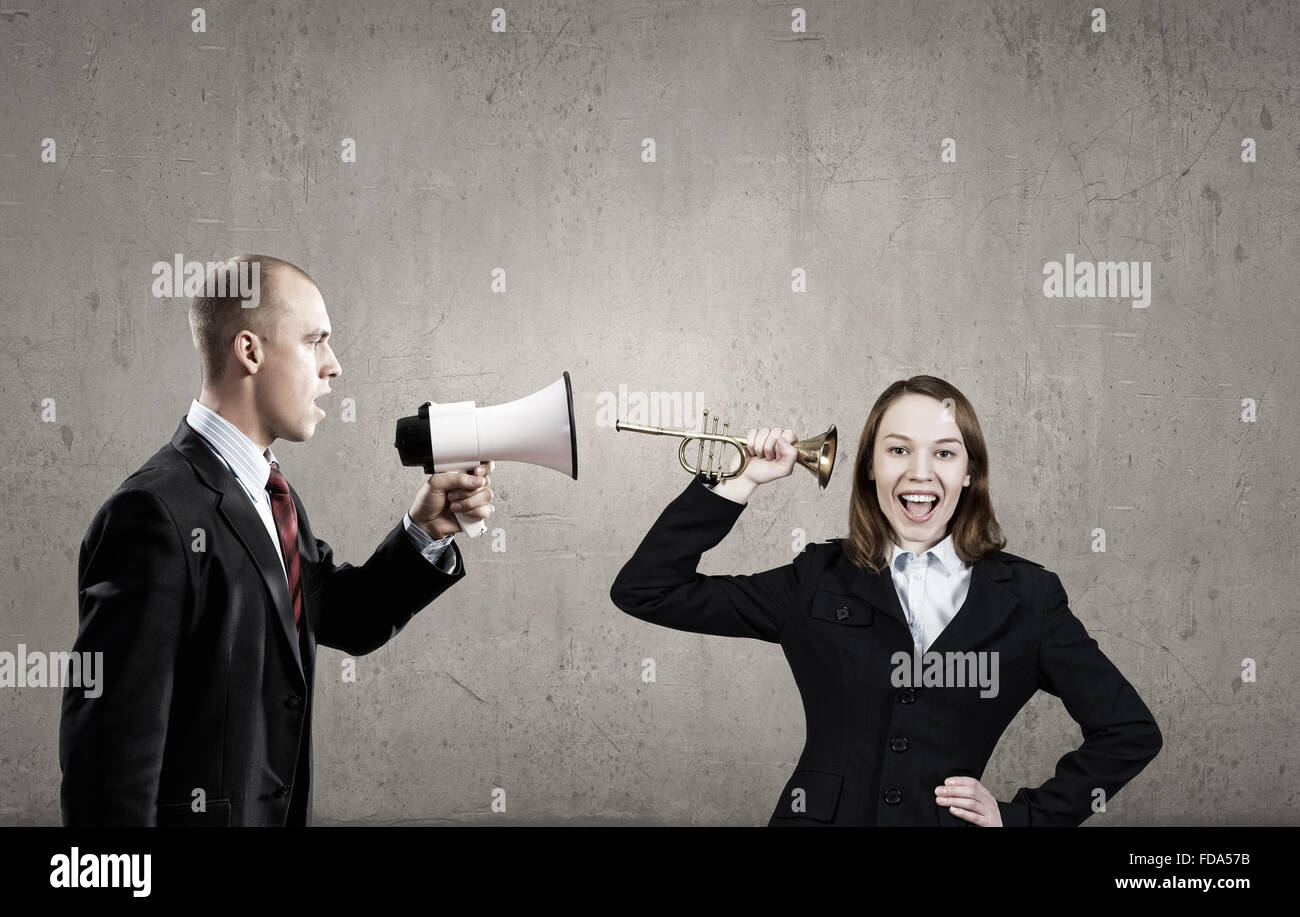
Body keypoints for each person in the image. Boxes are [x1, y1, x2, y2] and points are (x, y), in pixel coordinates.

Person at [60, 254, 496, 826]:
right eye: (315, 341)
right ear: (249, 351)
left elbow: (344, 617)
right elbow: (108, 769)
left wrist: (426, 531)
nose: (334, 366)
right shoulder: (149, 516)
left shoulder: (270, 495)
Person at [610, 375, 1162, 826]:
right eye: (898, 450)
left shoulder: (1029, 598)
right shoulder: (816, 577)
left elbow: (1129, 731)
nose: (920, 472)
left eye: (944, 453)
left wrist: (1021, 820)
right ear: (871, 467)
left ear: (969, 473)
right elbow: (647, 590)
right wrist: (742, 480)